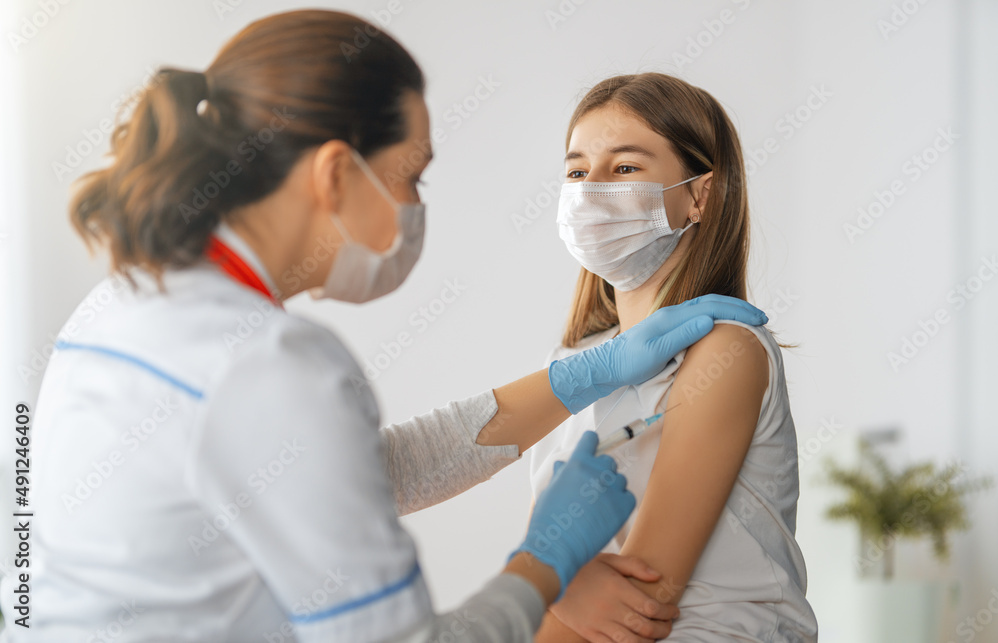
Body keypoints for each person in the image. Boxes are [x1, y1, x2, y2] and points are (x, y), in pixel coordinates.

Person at [0, 12, 769, 643]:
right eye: (413, 175)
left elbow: (363, 468)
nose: (416, 206)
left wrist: (579, 378)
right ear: (336, 173)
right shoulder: (266, 362)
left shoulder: (125, 304)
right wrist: (546, 569)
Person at [527, 73, 820, 642]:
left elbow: (639, 598)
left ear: (699, 195)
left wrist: (545, 581)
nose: (591, 191)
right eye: (578, 170)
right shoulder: (574, 362)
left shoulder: (726, 349)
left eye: (626, 168)